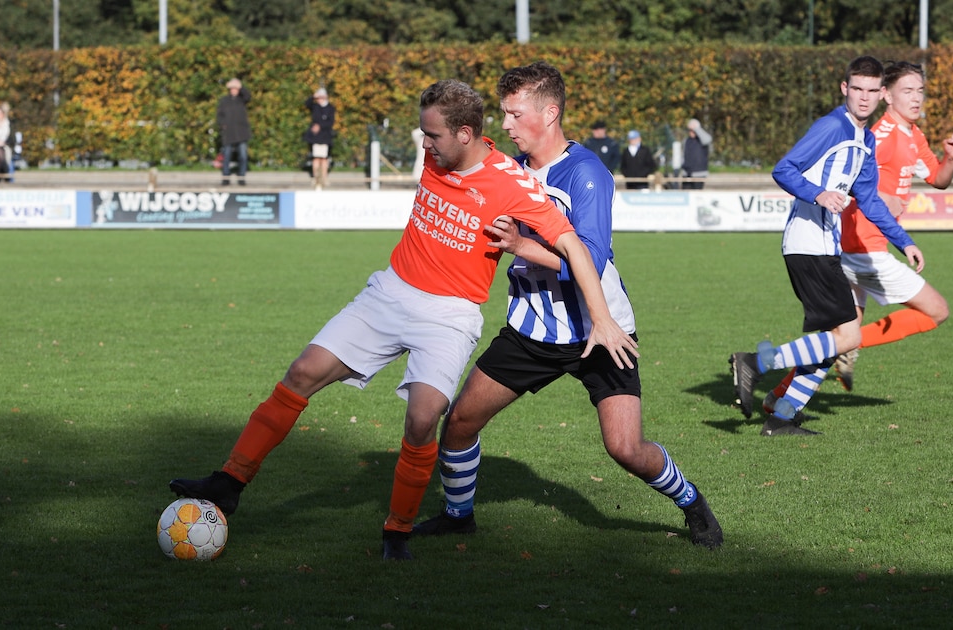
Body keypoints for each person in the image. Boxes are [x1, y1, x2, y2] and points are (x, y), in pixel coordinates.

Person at [169, 79, 638, 562]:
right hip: (390, 293)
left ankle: (397, 533)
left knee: (422, 419)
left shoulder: (512, 183)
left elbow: (575, 247)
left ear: (463, 134)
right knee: (303, 371)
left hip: (450, 315)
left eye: (432, 136)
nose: (424, 146)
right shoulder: (438, 157)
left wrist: (601, 319)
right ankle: (229, 482)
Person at [412, 61, 723, 550]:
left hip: (602, 330)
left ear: (550, 113)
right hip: (532, 330)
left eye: (515, 114)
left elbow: (591, 259)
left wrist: (521, 245)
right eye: (504, 114)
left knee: (626, 449)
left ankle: (691, 501)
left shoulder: (586, 173)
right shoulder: (509, 169)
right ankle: (458, 516)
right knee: (461, 423)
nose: (506, 125)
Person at [752, 61, 953, 419]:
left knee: (835, 336)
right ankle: (761, 363)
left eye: (920, 90)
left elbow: (936, 179)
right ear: (887, 95)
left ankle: (779, 403)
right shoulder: (874, 135)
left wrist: (950, 159)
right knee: (935, 310)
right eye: (907, 90)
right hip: (862, 247)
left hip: (849, 246)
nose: (916, 98)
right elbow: (852, 186)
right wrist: (875, 199)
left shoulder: (909, 135)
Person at [728, 56, 924, 437]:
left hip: (823, 247)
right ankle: (754, 363)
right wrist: (818, 193)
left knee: (831, 342)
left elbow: (870, 201)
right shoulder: (832, 126)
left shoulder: (865, 139)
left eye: (872, 90)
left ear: (882, 94)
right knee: (849, 336)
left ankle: (782, 416)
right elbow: (784, 168)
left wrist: (904, 241)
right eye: (857, 88)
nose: (864, 97)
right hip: (808, 243)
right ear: (844, 88)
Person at [217, 78, 251, 186]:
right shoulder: (224, 100)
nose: (234, 90)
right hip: (229, 132)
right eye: (232, 88)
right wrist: (223, 125)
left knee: (243, 155)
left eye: (236, 89)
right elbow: (219, 115)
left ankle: (241, 177)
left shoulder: (241, 99)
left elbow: (248, 96)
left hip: (241, 131)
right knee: (227, 155)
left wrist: (241, 86)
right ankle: (225, 177)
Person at [304, 87, 336, 189]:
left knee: (324, 158)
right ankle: (316, 178)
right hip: (315, 137)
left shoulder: (330, 108)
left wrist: (320, 126)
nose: (319, 99)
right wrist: (313, 96)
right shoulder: (315, 107)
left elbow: (330, 122)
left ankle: (324, 178)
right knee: (316, 158)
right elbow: (307, 104)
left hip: (325, 136)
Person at [680, 118, 712, 189]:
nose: (691, 132)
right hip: (687, 173)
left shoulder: (703, 140)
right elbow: (683, 155)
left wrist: (696, 128)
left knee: (697, 193)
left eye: (693, 130)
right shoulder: (686, 140)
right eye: (690, 130)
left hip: (699, 174)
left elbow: (707, 140)